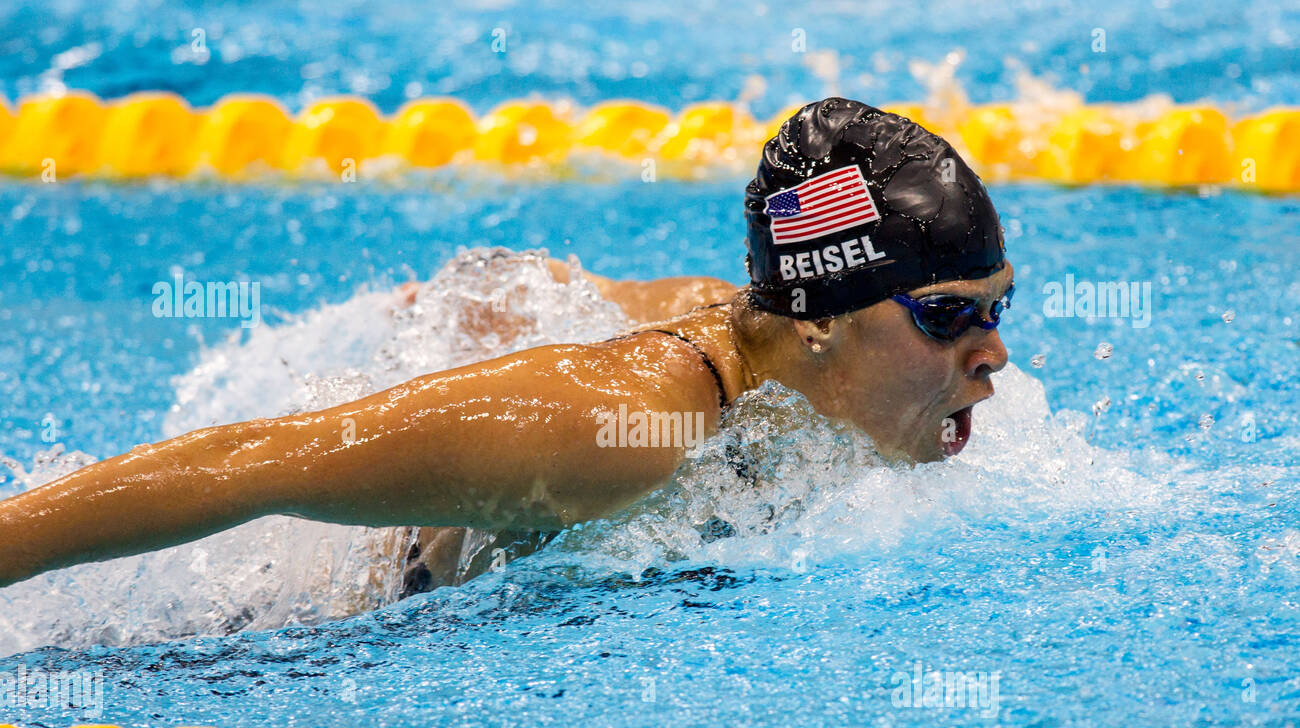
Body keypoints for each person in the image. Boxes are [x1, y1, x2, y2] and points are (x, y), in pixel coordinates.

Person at [0, 98, 1012, 591]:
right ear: (820, 320)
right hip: (322, 609)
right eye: (946, 314)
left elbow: (554, 292)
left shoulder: (770, 339)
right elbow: (253, 461)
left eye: (998, 308)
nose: (992, 355)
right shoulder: (622, 428)